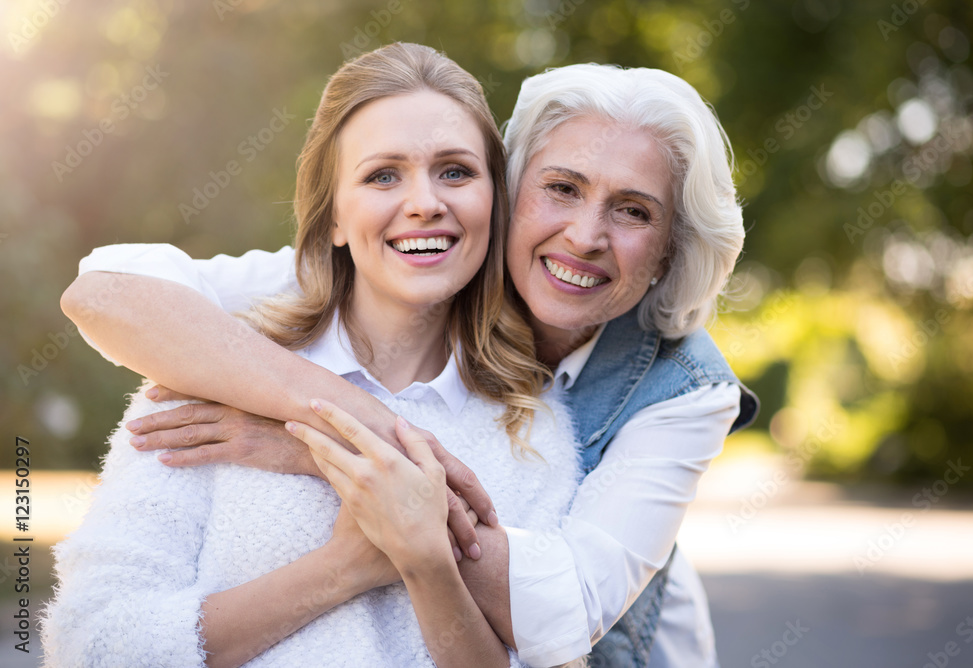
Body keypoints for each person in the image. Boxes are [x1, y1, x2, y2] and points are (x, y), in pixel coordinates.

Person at [60, 54, 758, 667]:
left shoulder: (643, 405)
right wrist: (355, 419)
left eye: (634, 211)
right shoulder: (225, 366)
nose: (584, 235)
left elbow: (567, 615)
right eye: (562, 188)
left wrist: (362, 474)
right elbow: (110, 290)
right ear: (513, 194)